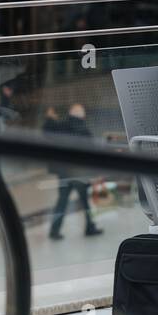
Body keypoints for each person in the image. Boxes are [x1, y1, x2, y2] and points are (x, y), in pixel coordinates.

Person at [47, 103, 105, 240]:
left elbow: (47, 134)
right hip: (79, 174)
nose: (84, 114)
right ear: (79, 113)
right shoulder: (83, 129)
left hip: (64, 173)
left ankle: (54, 231)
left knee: (61, 201)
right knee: (85, 202)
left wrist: (49, 119)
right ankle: (90, 227)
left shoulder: (60, 126)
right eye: (82, 112)